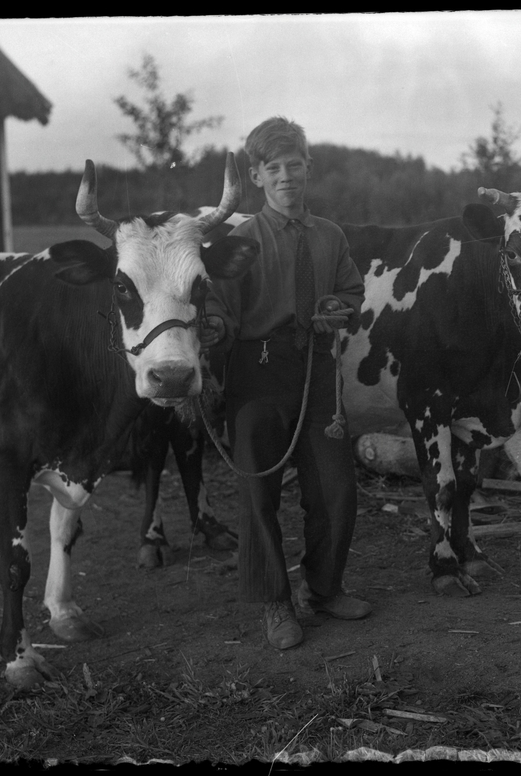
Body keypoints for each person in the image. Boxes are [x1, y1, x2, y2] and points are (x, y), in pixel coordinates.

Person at [200, 116, 370, 649]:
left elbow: (352, 293)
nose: (285, 176)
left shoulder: (331, 236)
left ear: (308, 169)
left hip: (318, 371)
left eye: (294, 165)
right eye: (273, 168)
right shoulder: (241, 241)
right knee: (259, 494)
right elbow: (220, 310)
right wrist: (213, 327)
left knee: (336, 489)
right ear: (256, 177)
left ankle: (324, 589)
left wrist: (337, 308)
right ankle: (275, 603)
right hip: (257, 372)